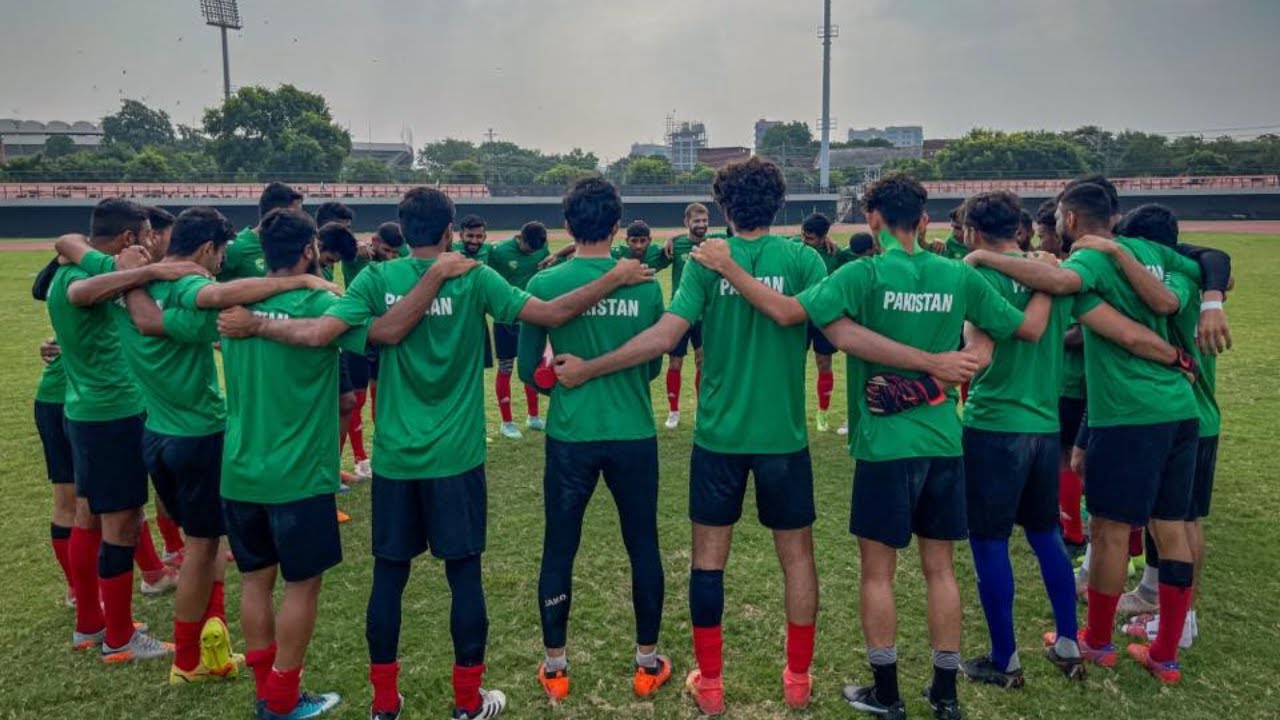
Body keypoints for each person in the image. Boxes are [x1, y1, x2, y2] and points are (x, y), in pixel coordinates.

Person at [221, 186, 654, 720]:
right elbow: (551, 312)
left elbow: (347, 333)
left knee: (389, 577)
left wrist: (259, 322)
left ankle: (385, 703)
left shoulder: (375, 279)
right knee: (464, 577)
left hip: (396, 457)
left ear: (403, 231)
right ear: (450, 230)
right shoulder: (473, 275)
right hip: (456, 457)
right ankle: (468, 701)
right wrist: (615, 276)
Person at [553, 159, 958, 714]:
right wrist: (931, 363)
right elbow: (838, 331)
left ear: (722, 206)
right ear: (779, 203)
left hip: (719, 437)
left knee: (708, 561)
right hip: (783, 438)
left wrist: (590, 368)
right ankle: (797, 680)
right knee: (797, 559)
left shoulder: (707, 260)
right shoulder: (802, 259)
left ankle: (711, 685)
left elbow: (665, 337)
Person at [964, 182, 1208, 684]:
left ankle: (1032, 652)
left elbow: (995, 341)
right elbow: (1133, 331)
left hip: (1020, 422)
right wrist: (1177, 358)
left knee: (1018, 538)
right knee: (1073, 533)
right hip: (1088, 419)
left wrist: (981, 263)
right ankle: (1127, 648)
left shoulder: (1064, 266)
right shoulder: (1150, 264)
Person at [517, 179, 671, 703]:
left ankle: (556, 667)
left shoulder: (546, 281)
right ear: (617, 226)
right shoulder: (644, 283)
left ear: (566, 226)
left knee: (559, 547)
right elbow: (652, 365)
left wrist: (561, 381)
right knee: (642, 544)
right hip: (633, 432)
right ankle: (646, 663)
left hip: (571, 434)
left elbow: (528, 371)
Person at [214, 207, 365, 719]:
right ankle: (281, 700)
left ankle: (267, 694)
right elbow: (377, 334)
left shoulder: (233, 302)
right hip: (299, 475)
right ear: (309, 251)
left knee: (255, 580)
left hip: (240, 470)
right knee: (302, 585)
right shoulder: (324, 301)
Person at [47, 198, 208, 662]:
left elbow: (70, 244)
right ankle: (118, 638)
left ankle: (90, 624)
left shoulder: (85, 265)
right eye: (149, 234)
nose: (155, 242)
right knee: (122, 523)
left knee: (90, 516)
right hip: (110, 415)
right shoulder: (79, 279)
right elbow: (81, 292)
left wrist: (141, 270)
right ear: (128, 238)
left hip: (89, 411)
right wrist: (152, 271)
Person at [1106, 205, 1231, 652]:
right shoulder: (1193, 274)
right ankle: (1156, 599)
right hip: (1194, 415)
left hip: (1189, 415)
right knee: (1172, 518)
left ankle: (1183, 621)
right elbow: (1216, 259)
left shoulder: (1176, 279)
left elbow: (1213, 260)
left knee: (1182, 521)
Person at [487, 221, 551, 439]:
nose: (531, 253)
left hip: (531, 319)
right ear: (520, 238)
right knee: (506, 368)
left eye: (535, 250)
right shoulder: (499, 252)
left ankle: (533, 416)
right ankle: (506, 422)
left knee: (531, 366)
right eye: (528, 249)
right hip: (505, 320)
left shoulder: (542, 248)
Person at [660, 203, 715, 430]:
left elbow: (738, 236)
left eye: (704, 220)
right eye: (697, 221)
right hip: (680, 316)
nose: (701, 225)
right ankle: (673, 411)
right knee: (675, 363)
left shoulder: (714, 244)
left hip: (704, 316)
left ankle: (700, 410)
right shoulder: (677, 246)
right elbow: (650, 258)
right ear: (687, 222)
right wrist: (672, 238)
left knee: (703, 362)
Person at [797, 212, 853, 432]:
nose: (804, 240)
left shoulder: (835, 254)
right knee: (795, 365)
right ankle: (796, 410)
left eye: (810, 238)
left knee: (824, 363)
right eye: (803, 235)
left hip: (822, 318)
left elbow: (863, 252)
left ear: (823, 237)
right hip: (799, 315)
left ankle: (823, 411)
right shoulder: (795, 247)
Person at [218, 182, 304, 281]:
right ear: (276, 214)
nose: (299, 221)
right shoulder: (236, 248)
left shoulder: (293, 249)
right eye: (295, 215)